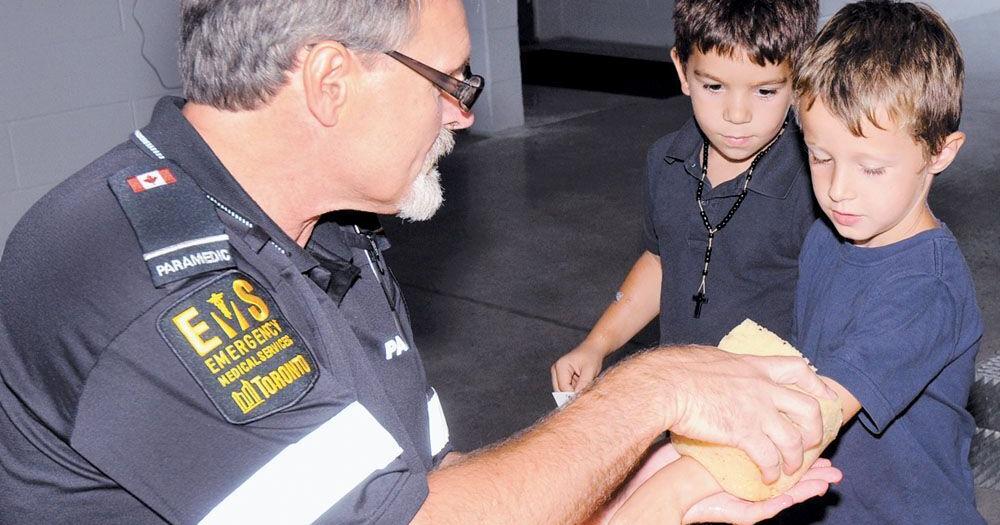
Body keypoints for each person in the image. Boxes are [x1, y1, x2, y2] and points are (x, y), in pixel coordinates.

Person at [0, 1, 838, 523]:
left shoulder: (334, 238)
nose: (461, 114)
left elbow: (430, 488)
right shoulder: (138, 279)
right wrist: (655, 386)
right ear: (330, 82)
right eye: (449, 81)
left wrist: (649, 494)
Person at [781, 1, 985, 522]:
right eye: (820, 157)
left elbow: (820, 410)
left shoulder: (924, 290)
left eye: (871, 168)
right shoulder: (828, 237)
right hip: (838, 505)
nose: (837, 191)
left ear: (940, 152)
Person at [552, 0, 821, 393]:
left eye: (764, 91)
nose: (737, 114)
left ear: (799, 77)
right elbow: (662, 260)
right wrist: (596, 344)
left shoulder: (814, 185)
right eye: (714, 86)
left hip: (770, 406)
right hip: (682, 394)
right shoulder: (665, 160)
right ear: (682, 70)